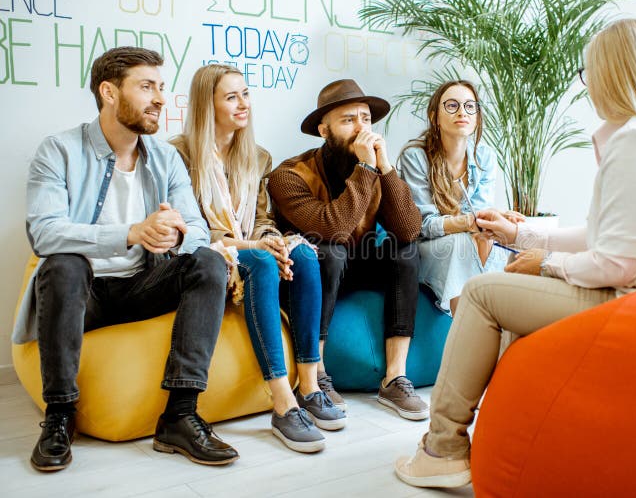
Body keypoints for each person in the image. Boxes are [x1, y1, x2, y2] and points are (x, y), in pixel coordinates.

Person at [394, 18, 636, 488]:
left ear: (611, 74)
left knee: (480, 294)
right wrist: (524, 233)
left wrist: (546, 263)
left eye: (587, 72)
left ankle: (443, 446)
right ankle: (514, 431)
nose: (586, 84)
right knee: (510, 285)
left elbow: (614, 264)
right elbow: (602, 234)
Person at [16, 47, 240, 471]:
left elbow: (195, 229)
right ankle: (60, 416)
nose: (159, 98)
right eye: (146, 87)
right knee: (64, 264)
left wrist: (174, 230)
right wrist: (131, 232)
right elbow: (44, 232)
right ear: (109, 92)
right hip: (84, 297)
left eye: (161, 86)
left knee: (208, 262)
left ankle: (179, 415)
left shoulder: (166, 157)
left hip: (142, 285)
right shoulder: (59, 150)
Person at [172, 64, 345, 453]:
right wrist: (258, 249)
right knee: (264, 263)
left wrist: (274, 241)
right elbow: (192, 228)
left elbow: (264, 219)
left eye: (245, 94)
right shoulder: (178, 154)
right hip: (207, 253)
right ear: (207, 104)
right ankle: (282, 403)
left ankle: (310, 385)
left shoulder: (258, 156)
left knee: (303, 252)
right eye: (231, 97)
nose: (243, 103)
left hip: (251, 244)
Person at [268, 79, 428, 420]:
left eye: (366, 119)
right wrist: (366, 169)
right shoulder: (289, 174)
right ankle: (318, 376)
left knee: (405, 251)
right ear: (324, 131)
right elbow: (332, 229)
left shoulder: (374, 166)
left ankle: (395, 377)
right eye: (348, 120)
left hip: (357, 263)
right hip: (306, 275)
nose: (361, 129)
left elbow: (410, 228)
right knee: (328, 251)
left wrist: (384, 167)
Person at [397, 80, 521, 315]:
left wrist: (497, 217)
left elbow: (480, 216)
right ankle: (463, 329)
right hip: (428, 245)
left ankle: (496, 327)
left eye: (469, 106)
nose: (462, 112)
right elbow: (423, 225)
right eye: (452, 106)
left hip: (468, 238)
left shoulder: (485, 157)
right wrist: (468, 222)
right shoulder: (416, 157)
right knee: (462, 242)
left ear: (477, 116)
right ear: (435, 117)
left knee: (499, 240)